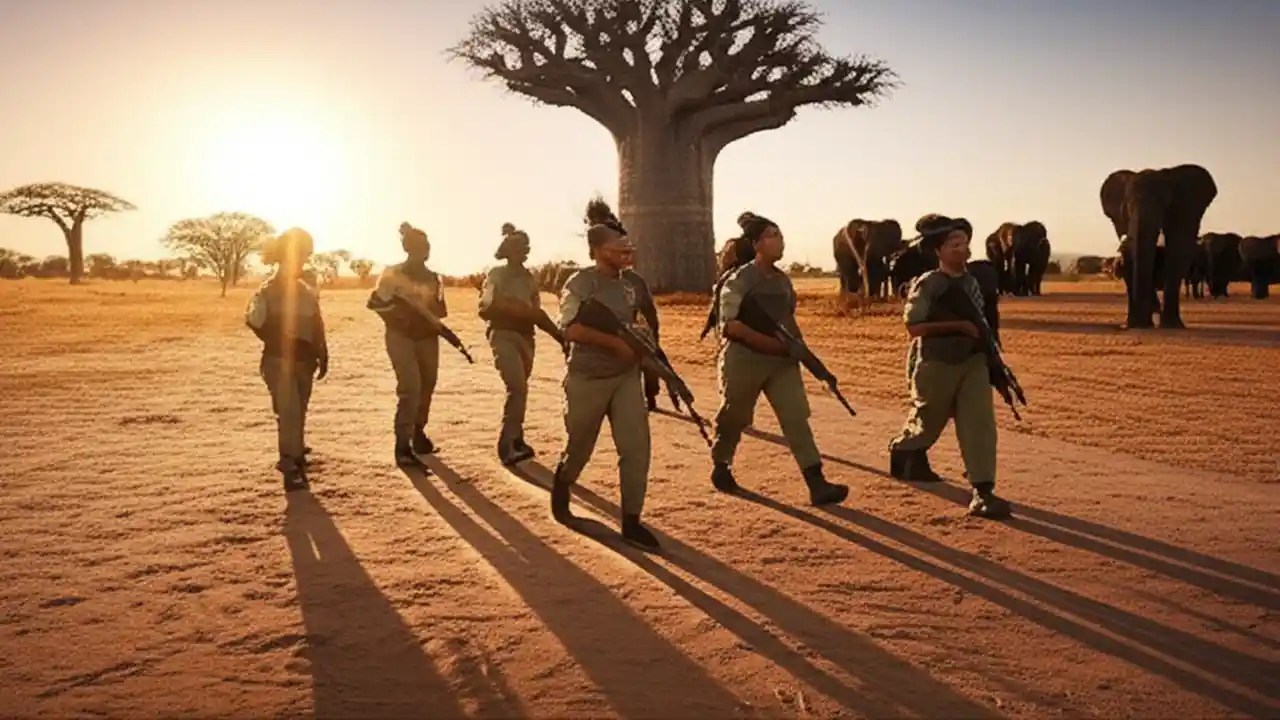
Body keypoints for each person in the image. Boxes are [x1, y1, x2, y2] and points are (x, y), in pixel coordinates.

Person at [708, 213, 849, 506]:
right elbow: (730, 326)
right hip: (745, 359)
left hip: (781, 363)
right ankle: (722, 465)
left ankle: (817, 483)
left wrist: (805, 356)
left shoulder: (783, 281)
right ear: (757, 243)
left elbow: (788, 322)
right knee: (735, 417)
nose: (780, 241)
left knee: (796, 418)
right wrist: (772, 345)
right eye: (773, 236)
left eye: (780, 235)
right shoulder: (739, 280)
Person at [550, 197, 659, 551]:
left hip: (626, 375)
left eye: (629, 247)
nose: (627, 252)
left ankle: (631, 520)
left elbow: (645, 323)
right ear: (598, 251)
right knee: (580, 445)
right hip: (588, 376)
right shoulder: (581, 283)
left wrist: (650, 365)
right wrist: (613, 344)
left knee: (636, 447)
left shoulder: (634, 283)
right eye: (619, 248)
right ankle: (564, 481)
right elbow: (569, 328)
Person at [888, 214, 1013, 519]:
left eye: (965, 243)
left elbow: (985, 322)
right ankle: (905, 450)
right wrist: (959, 326)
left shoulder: (974, 281)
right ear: (937, 251)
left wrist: (990, 353)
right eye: (954, 244)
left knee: (979, 424)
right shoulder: (928, 284)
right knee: (928, 419)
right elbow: (914, 328)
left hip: (973, 362)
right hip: (936, 363)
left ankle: (983, 490)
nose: (962, 249)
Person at [245, 227, 329, 492]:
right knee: (289, 411)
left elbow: (317, 323)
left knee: (298, 411)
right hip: (278, 361)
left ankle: (295, 455)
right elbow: (254, 321)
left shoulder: (306, 289)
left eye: (306, 255)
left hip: (305, 361)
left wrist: (322, 352)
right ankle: (289, 463)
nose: (304, 260)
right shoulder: (268, 290)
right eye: (301, 254)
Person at [368, 221, 448, 467]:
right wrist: (402, 317)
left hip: (426, 337)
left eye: (427, 245)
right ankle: (402, 445)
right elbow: (375, 304)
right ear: (409, 248)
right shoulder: (392, 274)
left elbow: (440, 310)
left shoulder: (434, 278)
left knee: (427, 385)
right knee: (410, 388)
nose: (426, 250)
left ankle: (418, 431)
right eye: (421, 246)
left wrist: (427, 316)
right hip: (400, 336)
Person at [478, 223, 554, 464]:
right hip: (503, 334)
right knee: (516, 387)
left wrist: (560, 336)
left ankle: (517, 437)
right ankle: (506, 444)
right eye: (519, 247)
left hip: (526, 337)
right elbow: (484, 308)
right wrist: (510, 307)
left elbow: (536, 312)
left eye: (526, 247)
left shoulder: (529, 278)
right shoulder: (496, 275)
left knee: (521, 388)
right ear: (508, 250)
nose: (525, 251)